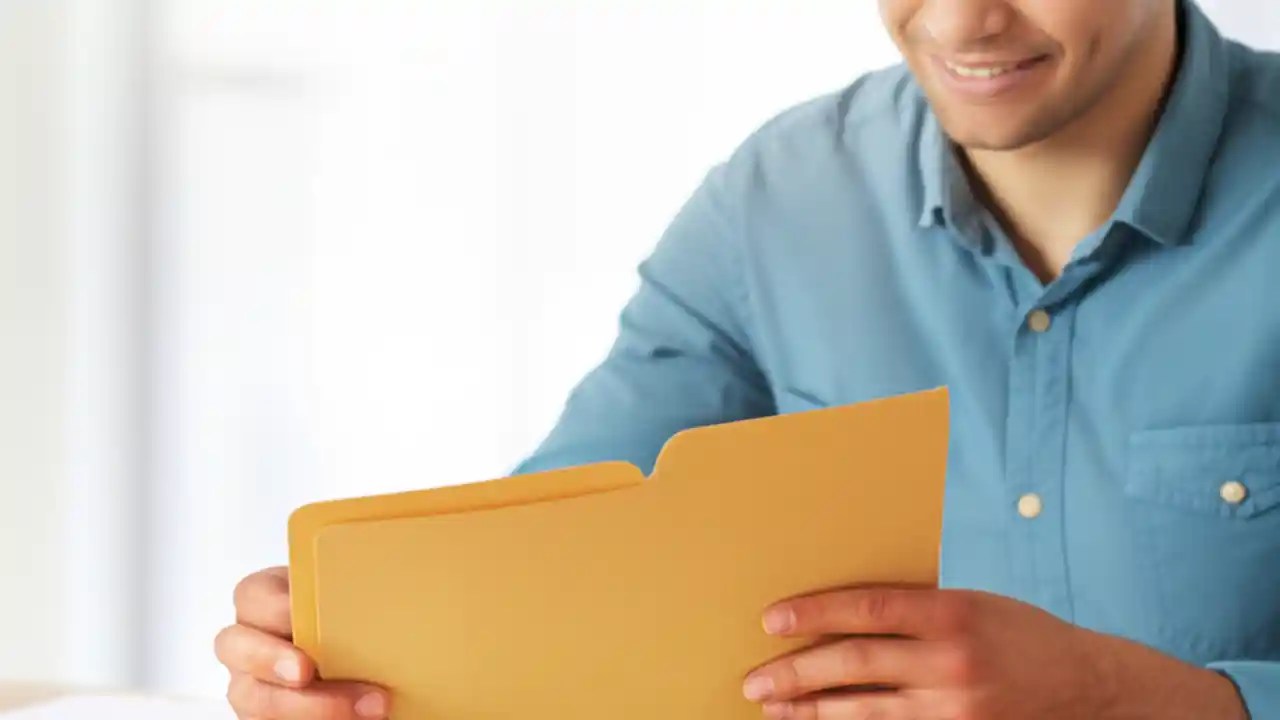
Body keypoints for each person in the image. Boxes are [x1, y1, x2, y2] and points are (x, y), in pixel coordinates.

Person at [215, 0, 1280, 717]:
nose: (960, 21)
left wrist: (1117, 696)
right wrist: (354, 645)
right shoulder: (779, 200)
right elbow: (559, 542)